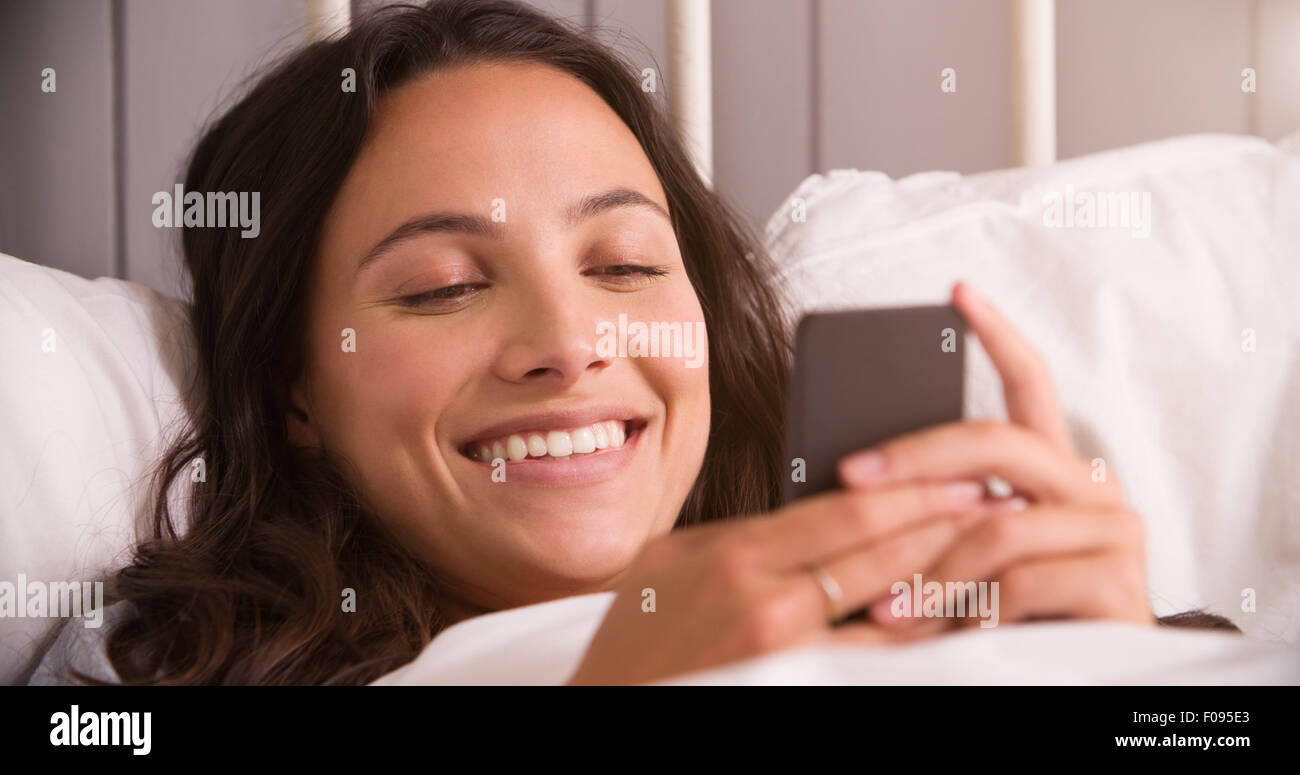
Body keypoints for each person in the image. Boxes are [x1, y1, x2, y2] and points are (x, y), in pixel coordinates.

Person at [34, 0, 1232, 687]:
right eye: (444, 286)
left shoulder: (955, 618)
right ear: (293, 385)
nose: (569, 343)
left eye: (622, 267)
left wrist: (1137, 682)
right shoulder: (146, 675)